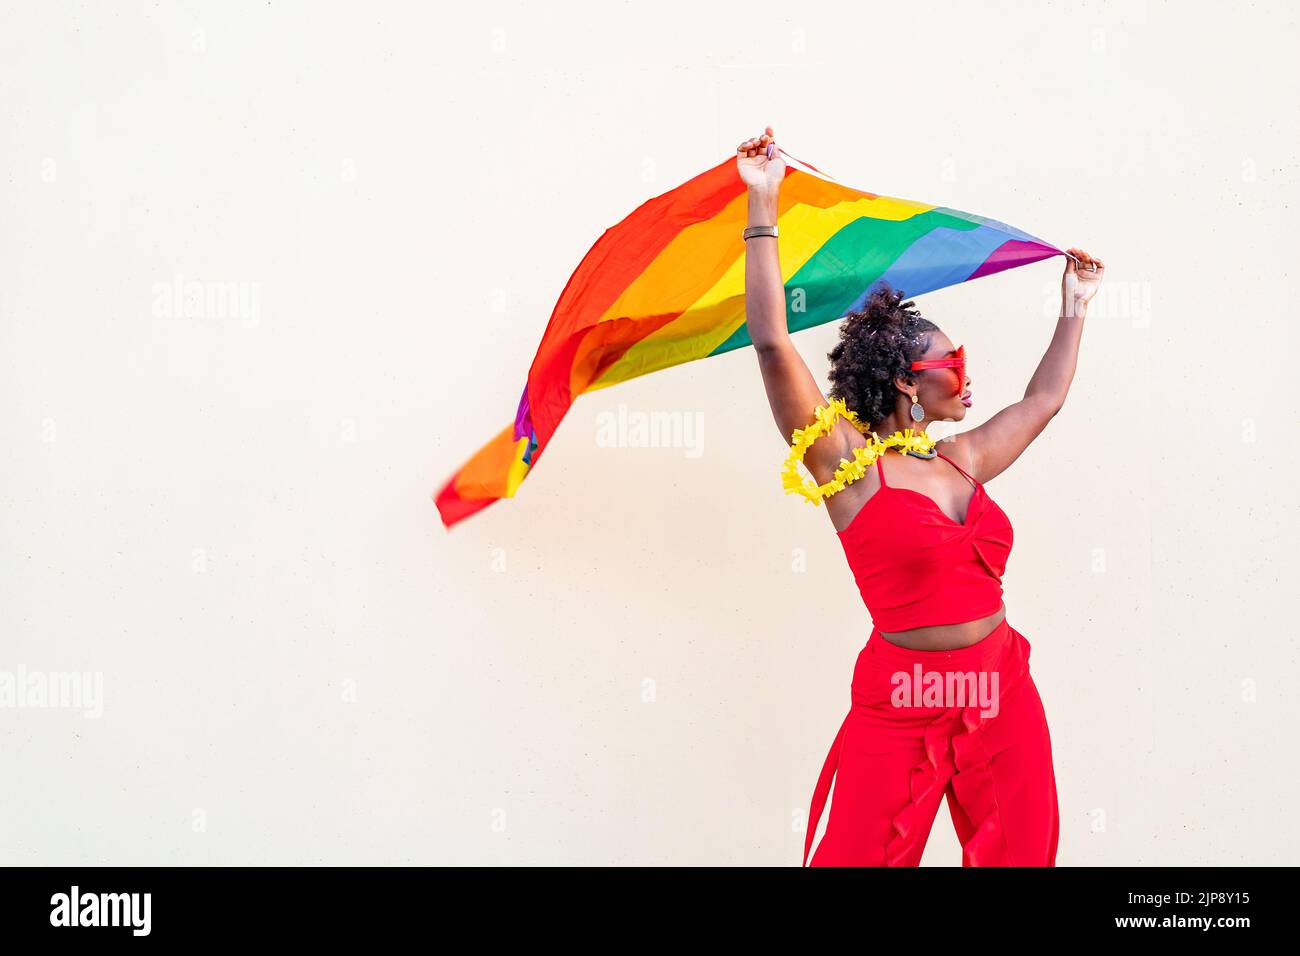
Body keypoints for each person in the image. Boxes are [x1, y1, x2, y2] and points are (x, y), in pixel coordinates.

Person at [736, 126, 1104, 866]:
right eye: (953, 361)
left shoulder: (965, 459)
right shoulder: (847, 470)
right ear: (907, 379)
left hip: (1000, 690)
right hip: (900, 704)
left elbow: (1044, 400)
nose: (967, 378)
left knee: (1023, 854)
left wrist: (1075, 306)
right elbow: (773, 342)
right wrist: (763, 202)